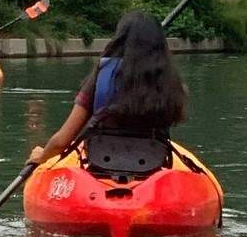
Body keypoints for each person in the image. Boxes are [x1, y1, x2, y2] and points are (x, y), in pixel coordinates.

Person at [27, 11, 187, 165]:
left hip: (101, 162)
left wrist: (42, 157)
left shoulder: (102, 73)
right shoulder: (172, 82)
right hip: (152, 162)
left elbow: (61, 142)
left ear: (119, 39)